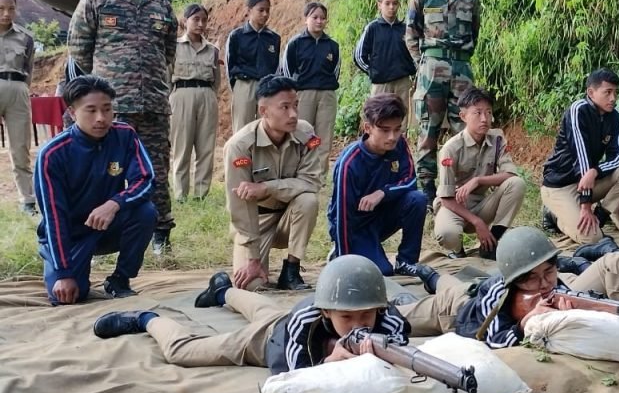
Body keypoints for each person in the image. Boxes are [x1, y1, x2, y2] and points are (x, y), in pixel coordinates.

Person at [91, 256, 411, 375]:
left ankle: (222, 291)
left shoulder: (388, 318)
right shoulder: (307, 317)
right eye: (346, 319)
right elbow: (290, 382)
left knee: (261, 308)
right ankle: (146, 318)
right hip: (266, 342)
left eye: (366, 316)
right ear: (327, 310)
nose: (358, 327)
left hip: (284, 318)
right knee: (183, 352)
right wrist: (329, 364)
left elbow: (400, 355)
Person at [66, 0, 176, 254]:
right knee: (103, 173)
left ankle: (160, 233)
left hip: (154, 106)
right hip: (111, 110)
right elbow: (80, 55)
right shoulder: (95, 1)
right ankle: (97, 234)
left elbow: (168, 54)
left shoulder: (163, 6)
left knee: (156, 170)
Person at [34, 75, 157, 304]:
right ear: (72, 112)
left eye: (107, 109)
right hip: (70, 235)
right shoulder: (53, 154)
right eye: (91, 110)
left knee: (145, 212)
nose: (101, 118)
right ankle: (63, 267)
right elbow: (54, 216)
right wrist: (63, 273)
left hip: (106, 226)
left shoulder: (125, 135)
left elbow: (146, 180)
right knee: (69, 295)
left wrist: (114, 204)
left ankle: (120, 279)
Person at [224, 75, 321, 291]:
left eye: (295, 105)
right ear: (264, 111)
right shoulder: (240, 146)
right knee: (251, 286)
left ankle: (292, 270)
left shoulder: (306, 134)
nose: (294, 114)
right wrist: (252, 257)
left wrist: (266, 187)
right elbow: (239, 205)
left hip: (290, 216)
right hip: (255, 221)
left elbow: (311, 182)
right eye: (284, 107)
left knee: (308, 200)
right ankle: (255, 264)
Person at [405, 0, 482, 203]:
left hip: (461, 68)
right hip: (432, 69)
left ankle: (462, 183)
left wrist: (460, 58)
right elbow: (411, 36)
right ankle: (426, 187)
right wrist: (424, 64)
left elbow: (474, 30)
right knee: (429, 127)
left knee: (465, 125)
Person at [327, 93, 429, 277]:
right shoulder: (350, 163)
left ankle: (407, 261)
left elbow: (411, 181)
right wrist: (344, 261)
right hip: (356, 227)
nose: (392, 137)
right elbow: (341, 216)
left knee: (418, 199)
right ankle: (340, 254)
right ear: (368, 128)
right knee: (381, 273)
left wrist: (383, 193)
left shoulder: (399, 145)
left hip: (382, 215)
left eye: (397, 129)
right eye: (384, 130)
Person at [540, 68, 619, 244]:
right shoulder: (578, 110)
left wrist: (595, 171)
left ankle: (600, 217)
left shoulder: (615, 118)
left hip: (589, 180)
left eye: (615, 92)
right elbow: (582, 158)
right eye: (607, 92)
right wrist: (585, 205)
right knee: (593, 239)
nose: (613, 98)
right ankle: (555, 217)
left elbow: (618, 158)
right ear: (591, 92)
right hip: (560, 186)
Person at [434, 87, 526, 259]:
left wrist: (478, 180)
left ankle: (491, 243)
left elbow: (511, 175)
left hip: (482, 205)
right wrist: (477, 223)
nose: (484, 119)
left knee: (517, 184)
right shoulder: (451, 148)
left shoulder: (497, 139)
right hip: (454, 207)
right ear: (463, 116)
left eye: (488, 112)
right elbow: (446, 198)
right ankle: (457, 250)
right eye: (477, 113)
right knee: (448, 235)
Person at [453, 226, 578, 348]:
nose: (545, 284)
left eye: (549, 272)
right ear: (515, 280)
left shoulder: (556, 287)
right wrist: (524, 325)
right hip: (458, 308)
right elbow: (494, 341)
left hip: (479, 294)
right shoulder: (496, 292)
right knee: (446, 291)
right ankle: (433, 277)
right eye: (532, 278)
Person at [281, 1, 340, 173]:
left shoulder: (332, 46)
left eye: (323, 18)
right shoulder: (295, 43)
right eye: (314, 17)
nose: (319, 21)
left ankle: (319, 175)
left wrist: (325, 86)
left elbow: (335, 71)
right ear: (305, 19)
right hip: (303, 95)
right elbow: (286, 70)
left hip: (327, 95)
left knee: (323, 137)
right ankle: (298, 172)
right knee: (301, 133)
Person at [169, 3, 220, 200]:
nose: (200, 24)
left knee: (206, 148)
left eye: (204, 20)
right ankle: (181, 195)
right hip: (181, 95)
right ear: (185, 21)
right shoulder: (174, 47)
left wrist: (210, 96)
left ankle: (201, 194)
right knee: (182, 147)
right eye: (196, 19)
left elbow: (217, 80)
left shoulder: (212, 50)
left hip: (207, 95)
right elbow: (166, 77)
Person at [354, 0, 417, 132]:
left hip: (403, 81)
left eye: (395, 3)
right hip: (381, 83)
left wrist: (413, 72)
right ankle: (377, 151)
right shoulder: (373, 28)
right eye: (387, 3)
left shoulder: (405, 28)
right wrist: (373, 71)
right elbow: (358, 56)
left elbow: (415, 52)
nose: (391, 7)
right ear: (379, 5)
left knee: (402, 118)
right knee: (378, 118)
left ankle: (399, 149)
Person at [0, 0, 36, 214]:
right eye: (1, 9)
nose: (6, 14)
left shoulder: (26, 37)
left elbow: (29, 69)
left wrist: (22, 89)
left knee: (20, 148)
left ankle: (28, 200)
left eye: (11, 9)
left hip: (17, 89)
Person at [225, 0, 279, 133]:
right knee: (242, 129)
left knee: (267, 129)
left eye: (268, 10)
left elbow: (275, 66)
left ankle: (261, 156)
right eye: (261, 10)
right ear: (249, 10)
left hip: (266, 88)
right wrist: (238, 88)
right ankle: (241, 156)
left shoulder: (274, 38)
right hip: (245, 85)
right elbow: (230, 65)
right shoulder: (237, 36)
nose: (265, 14)